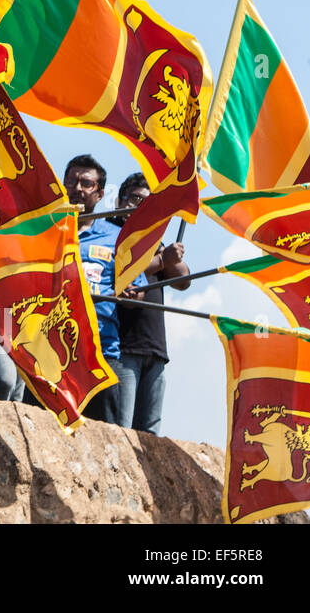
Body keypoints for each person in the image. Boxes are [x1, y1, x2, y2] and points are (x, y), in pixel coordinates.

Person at [114, 172, 190, 434]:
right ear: (119, 202)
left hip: (155, 348)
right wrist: (162, 259)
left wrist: (169, 256)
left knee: (150, 433)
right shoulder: (111, 233)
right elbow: (122, 267)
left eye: (147, 203)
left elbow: (183, 281)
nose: (138, 207)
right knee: (120, 428)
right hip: (122, 347)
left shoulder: (154, 241)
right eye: (134, 199)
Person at [66, 154, 125, 424]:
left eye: (86, 183)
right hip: (52, 351)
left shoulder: (116, 237)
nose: (77, 188)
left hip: (101, 351)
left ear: (100, 193)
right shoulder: (45, 228)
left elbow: (135, 287)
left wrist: (127, 293)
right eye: (72, 180)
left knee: (107, 439)